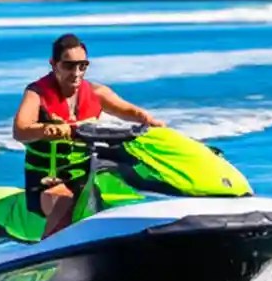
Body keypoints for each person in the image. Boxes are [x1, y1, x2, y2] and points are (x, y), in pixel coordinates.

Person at [12, 33, 165, 239]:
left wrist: (150, 121)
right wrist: (45, 130)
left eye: (82, 66)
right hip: (47, 181)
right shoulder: (36, 94)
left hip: (86, 175)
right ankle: (50, 257)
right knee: (64, 201)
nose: (76, 72)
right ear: (54, 64)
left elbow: (130, 112)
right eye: (69, 65)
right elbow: (20, 130)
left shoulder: (96, 92)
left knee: (127, 191)